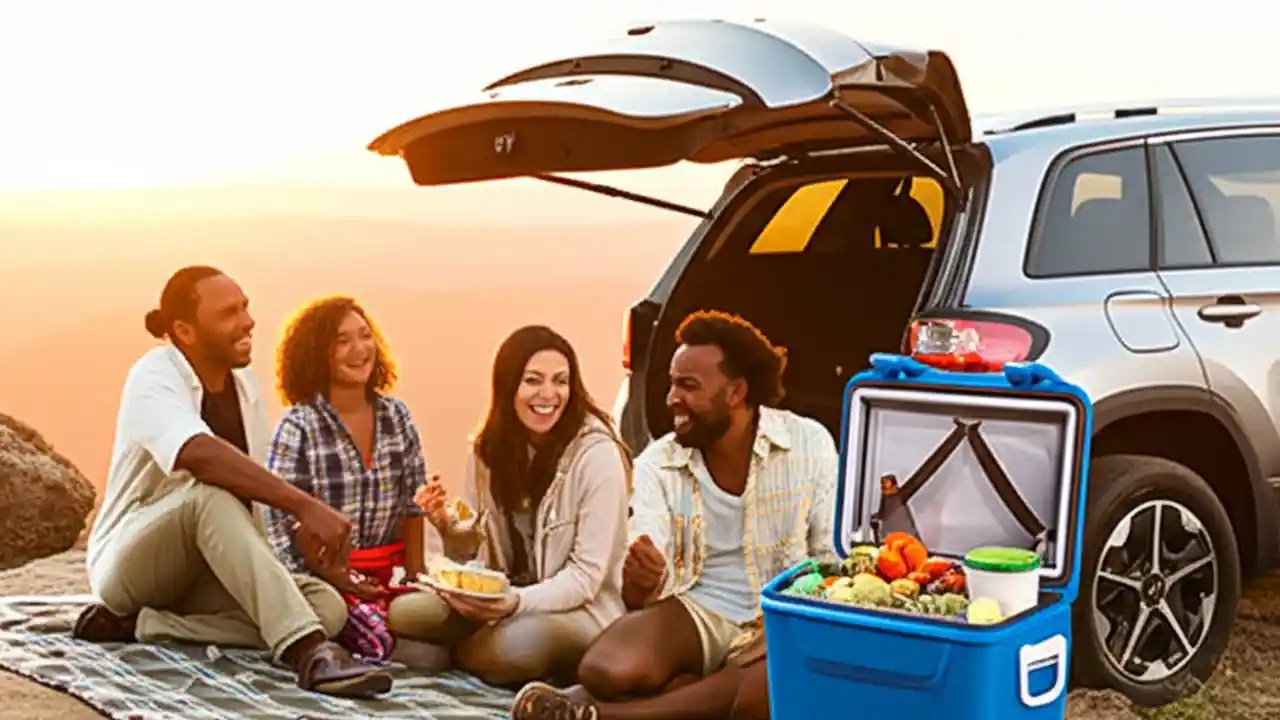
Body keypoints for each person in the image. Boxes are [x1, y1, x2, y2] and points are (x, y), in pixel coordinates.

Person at [76, 266, 393, 698]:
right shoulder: (153, 376)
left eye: (245, 307)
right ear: (184, 331)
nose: (248, 322)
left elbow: (254, 494)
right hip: (132, 564)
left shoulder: (243, 385)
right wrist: (305, 505)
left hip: (205, 570)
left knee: (326, 608)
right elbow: (199, 455)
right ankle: (310, 652)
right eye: (229, 313)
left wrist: (303, 545)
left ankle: (145, 625)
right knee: (208, 496)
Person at [510, 310, 839, 720]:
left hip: (779, 614)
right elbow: (644, 581)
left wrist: (783, 626)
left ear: (735, 392)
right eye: (671, 384)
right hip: (699, 608)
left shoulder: (808, 444)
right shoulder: (658, 464)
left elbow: (829, 558)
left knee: (759, 695)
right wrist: (641, 580)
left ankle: (600, 715)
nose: (671, 400)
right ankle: (686, 695)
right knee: (605, 667)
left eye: (688, 386)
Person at [388, 325, 632, 689]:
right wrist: (451, 532)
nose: (548, 394)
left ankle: (465, 653)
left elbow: (585, 578)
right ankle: (465, 652)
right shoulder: (488, 449)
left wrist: (513, 603)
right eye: (533, 380)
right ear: (508, 385)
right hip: (500, 599)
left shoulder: (597, 455)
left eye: (560, 381)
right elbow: (477, 561)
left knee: (510, 648)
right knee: (405, 614)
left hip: (578, 609)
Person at [263, 296, 429, 654]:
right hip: (325, 580)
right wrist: (333, 577)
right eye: (342, 341)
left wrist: (416, 577)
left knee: (426, 622)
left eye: (365, 336)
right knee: (349, 623)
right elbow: (279, 525)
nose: (359, 349)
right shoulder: (299, 427)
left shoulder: (396, 417)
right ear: (316, 354)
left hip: (388, 577)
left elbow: (413, 507)